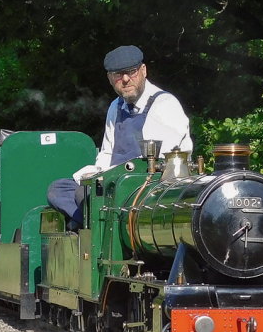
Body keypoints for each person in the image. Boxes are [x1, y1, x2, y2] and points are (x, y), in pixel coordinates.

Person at [47, 46, 191, 228]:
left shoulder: (164, 105)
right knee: (58, 189)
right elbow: (108, 154)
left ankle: (89, 224)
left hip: (147, 188)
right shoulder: (116, 107)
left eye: (131, 72)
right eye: (118, 74)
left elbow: (163, 165)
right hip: (113, 185)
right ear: (109, 78)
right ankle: (93, 222)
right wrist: (96, 173)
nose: (125, 79)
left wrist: (112, 180)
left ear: (143, 71)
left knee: (83, 196)